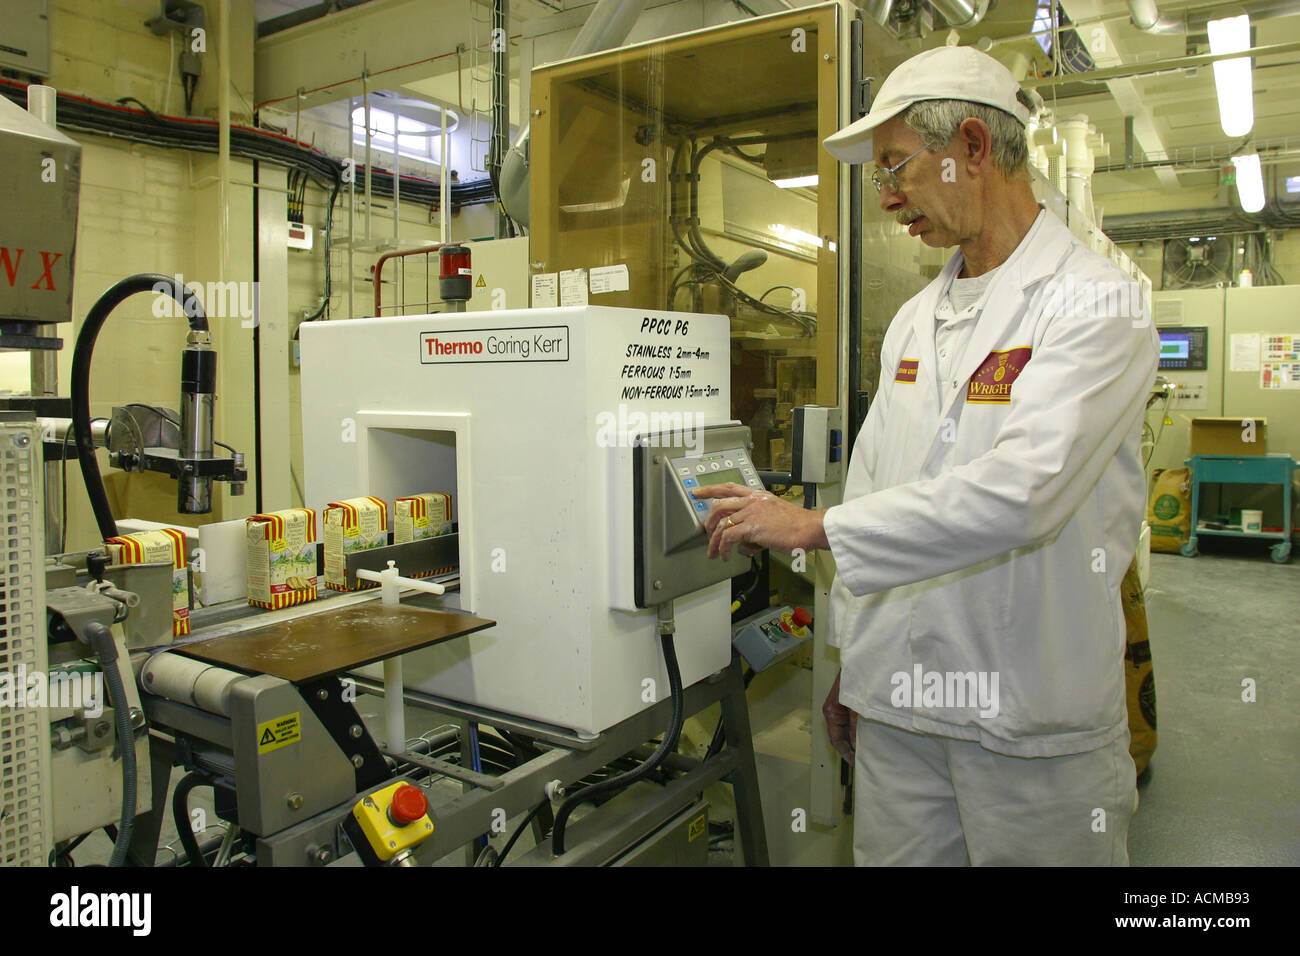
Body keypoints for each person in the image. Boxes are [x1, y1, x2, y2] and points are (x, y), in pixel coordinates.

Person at [690, 45, 1159, 866]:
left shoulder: (1097, 304)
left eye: (896, 167)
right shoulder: (913, 321)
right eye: (879, 176)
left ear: (974, 147)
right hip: (901, 713)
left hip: (1029, 724)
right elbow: (880, 487)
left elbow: (1023, 493)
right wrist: (854, 668)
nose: (886, 197)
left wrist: (809, 525)